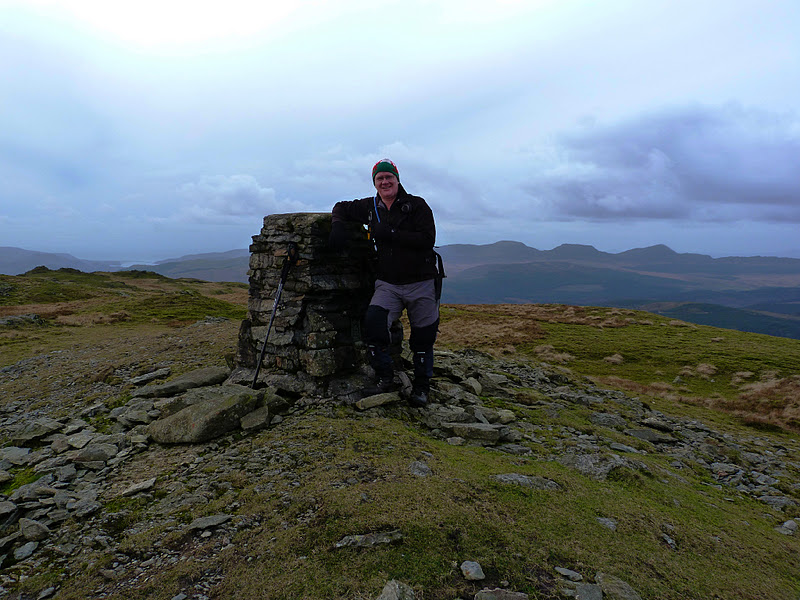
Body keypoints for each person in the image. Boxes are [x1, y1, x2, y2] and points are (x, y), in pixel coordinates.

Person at [329, 159, 440, 407]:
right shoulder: (370, 207)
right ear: (375, 183)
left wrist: (390, 235)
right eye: (380, 179)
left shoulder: (417, 206)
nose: (385, 182)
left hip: (421, 282)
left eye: (389, 177)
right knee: (374, 325)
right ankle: (384, 379)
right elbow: (340, 207)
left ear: (398, 180)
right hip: (388, 283)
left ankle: (421, 387)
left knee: (423, 337)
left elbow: (427, 239)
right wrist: (337, 226)